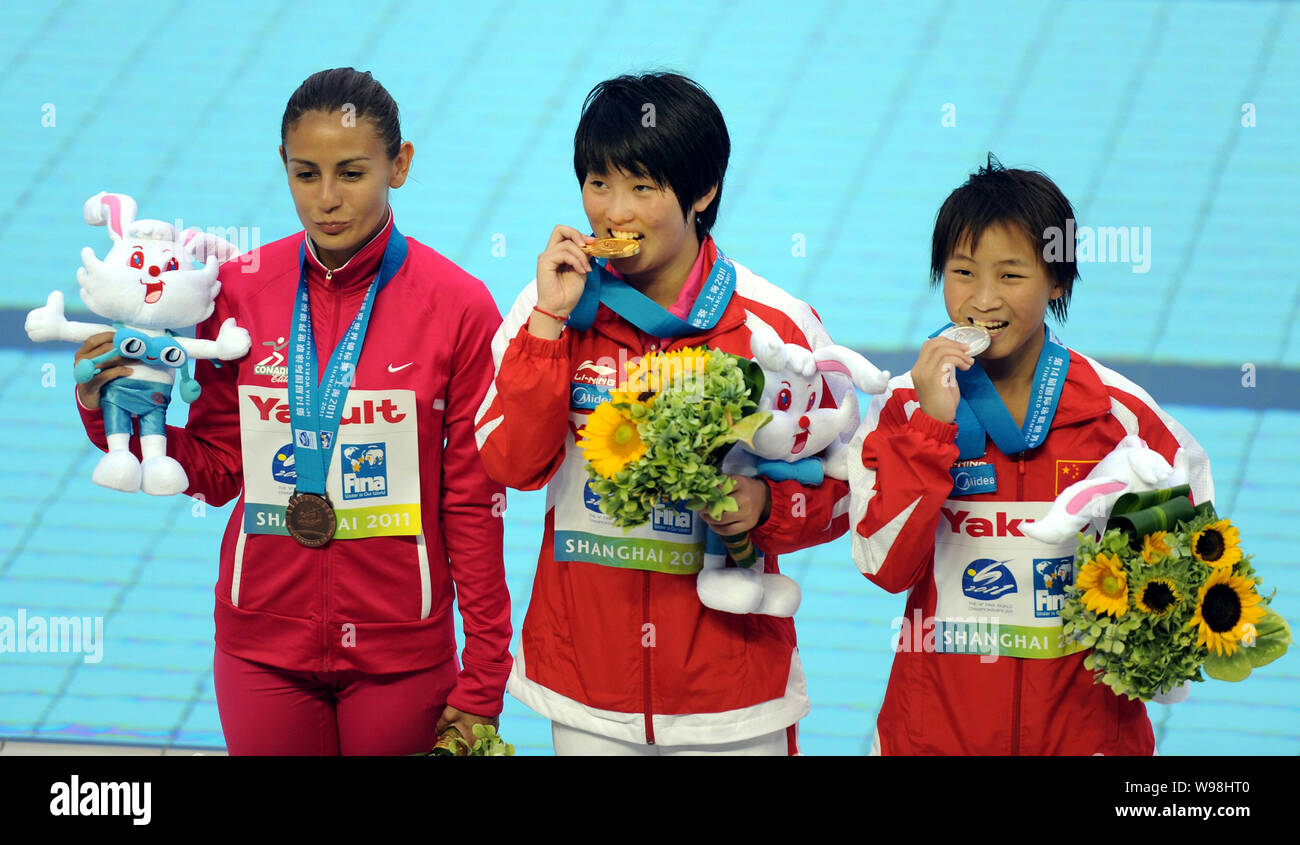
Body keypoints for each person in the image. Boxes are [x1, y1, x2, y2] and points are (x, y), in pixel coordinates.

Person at [72, 68, 511, 755]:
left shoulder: (457, 306)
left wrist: (484, 677)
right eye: (306, 174)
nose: (327, 199)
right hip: (261, 647)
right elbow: (219, 470)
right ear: (284, 166)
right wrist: (106, 406)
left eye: (352, 173)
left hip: (400, 652)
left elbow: (472, 504)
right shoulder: (239, 291)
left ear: (399, 165)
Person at [474, 72, 853, 756]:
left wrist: (765, 506)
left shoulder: (774, 327)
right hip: (587, 690)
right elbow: (512, 464)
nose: (614, 213)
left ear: (703, 191)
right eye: (598, 183)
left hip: (731, 700)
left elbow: (848, 490)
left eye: (642, 187)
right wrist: (549, 324)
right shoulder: (547, 308)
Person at [846, 155, 1214, 755]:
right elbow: (883, 566)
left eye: (1011, 275)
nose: (982, 300)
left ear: (1057, 281)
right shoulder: (904, 410)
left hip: (1088, 740)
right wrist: (932, 430)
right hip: (933, 740)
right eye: (963, 272)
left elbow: (1193, 568)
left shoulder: (1119, 417)